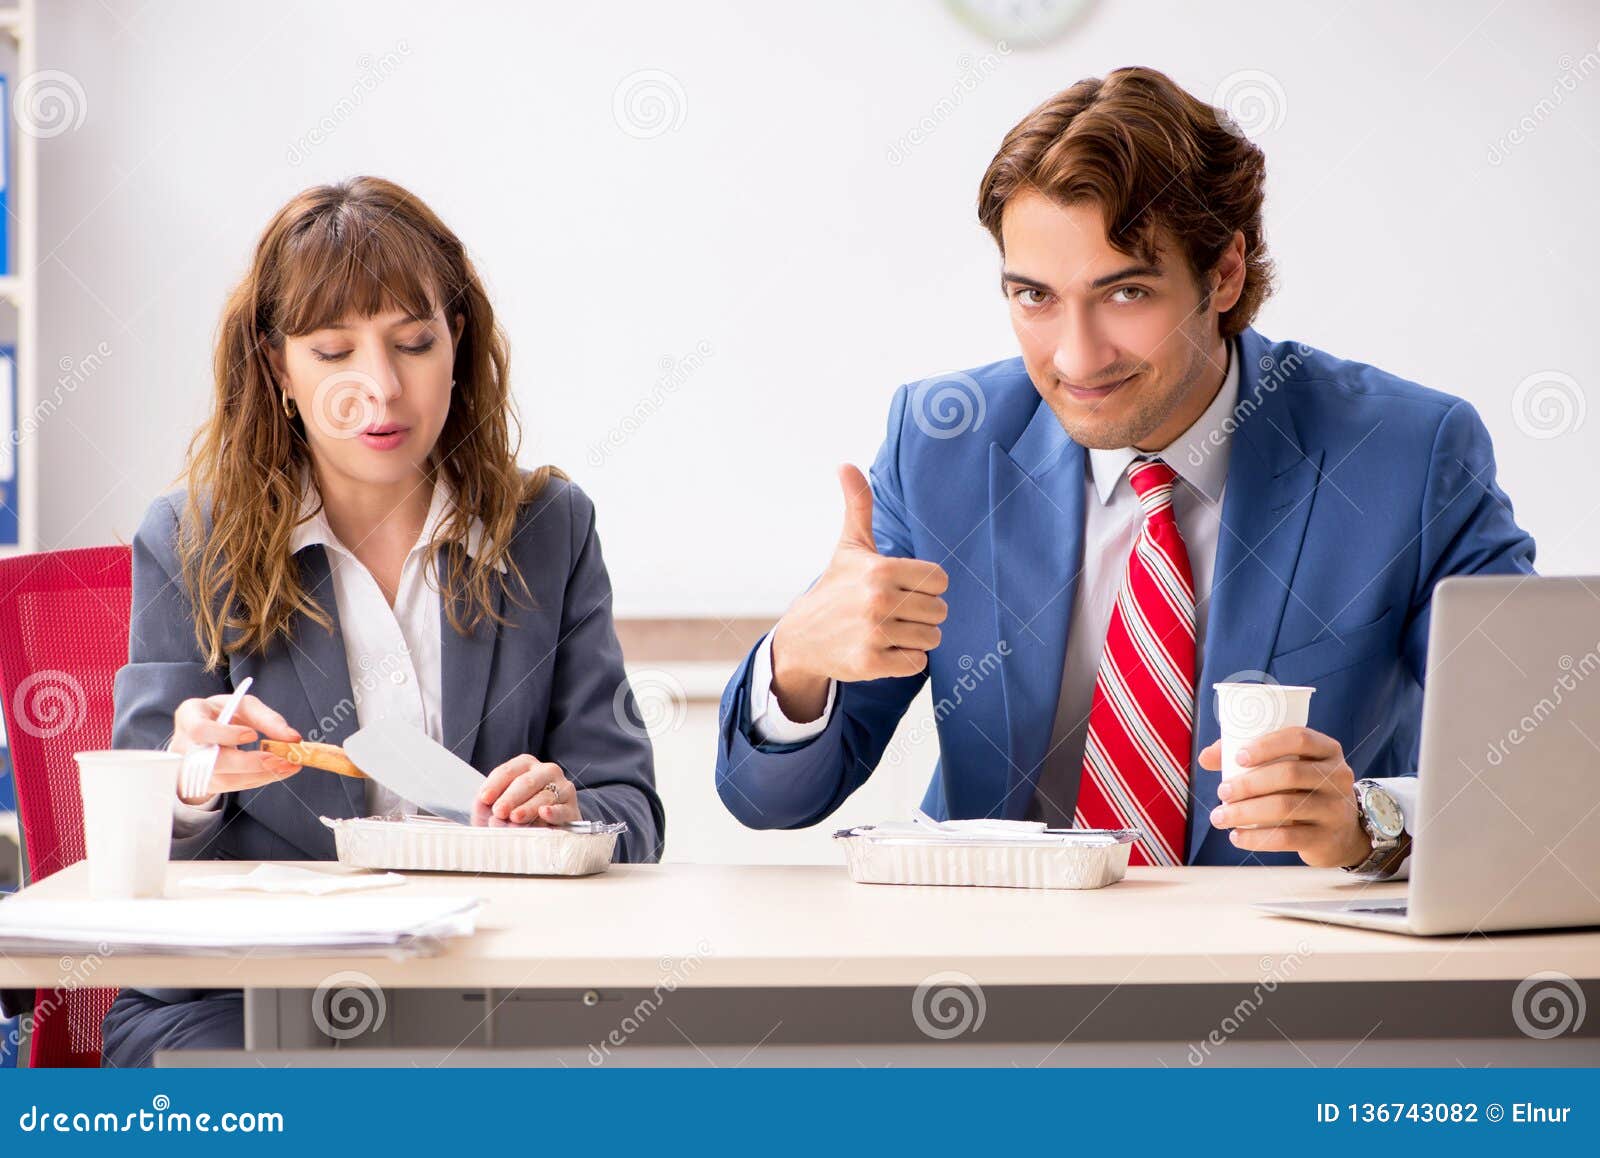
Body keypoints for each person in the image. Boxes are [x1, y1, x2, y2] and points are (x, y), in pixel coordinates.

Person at [714, 66, 1535, 875]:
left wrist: (1373, 823)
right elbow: (768, 800)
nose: (1076, 356)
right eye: (1034, 296)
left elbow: (1534, 763)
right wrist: (798, 660)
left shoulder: (1408, 453)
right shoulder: (943, 448)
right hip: (996, 962)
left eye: (1126, 294)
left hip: (1281, 973)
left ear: (1223, 274)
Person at [102, 176, 663, 1066]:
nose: (381, 389)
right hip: (241, 1004)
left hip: (492, 991)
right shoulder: (188, 540)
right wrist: (189, 776)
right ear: (276, 366)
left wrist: (571, 814)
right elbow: (133, 830)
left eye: (413, 342)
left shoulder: (549, 529)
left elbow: (628, 806)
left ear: (457, 345)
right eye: (332, 352)